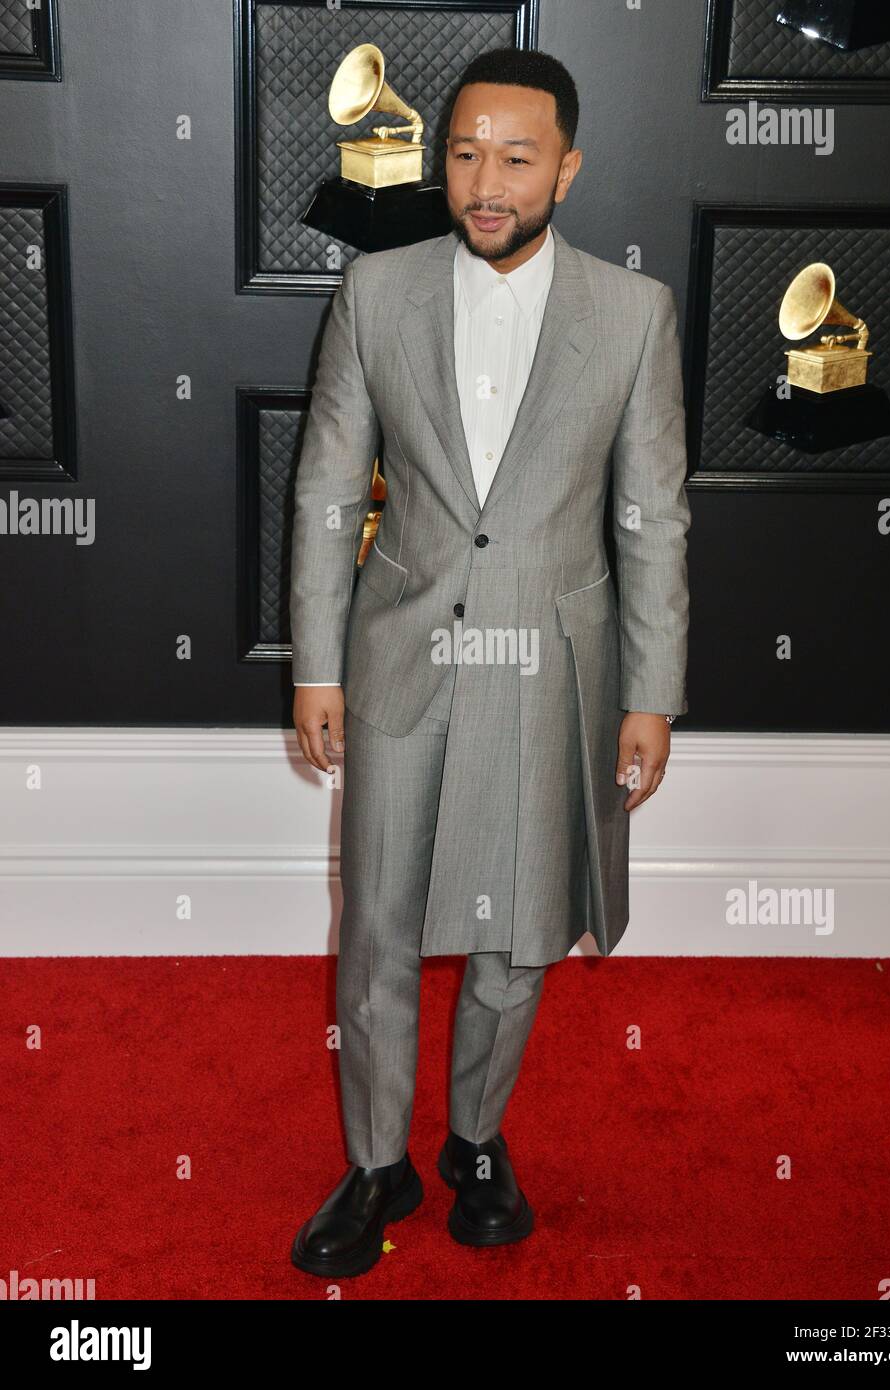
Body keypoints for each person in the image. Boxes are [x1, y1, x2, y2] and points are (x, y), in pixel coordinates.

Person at [289, 46, 690, 1280]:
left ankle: (470, 1141)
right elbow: (321, 491)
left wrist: (649, 691)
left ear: (565, 167)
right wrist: (314, 666)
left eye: (516, 156)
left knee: (517, 935)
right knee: (378, 929)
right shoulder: (376, 288)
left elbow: (652, 514)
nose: (484, 180)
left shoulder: (633, 314)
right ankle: (375, 1164)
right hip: (401, 650)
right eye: (463, 151)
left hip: (552, 665)